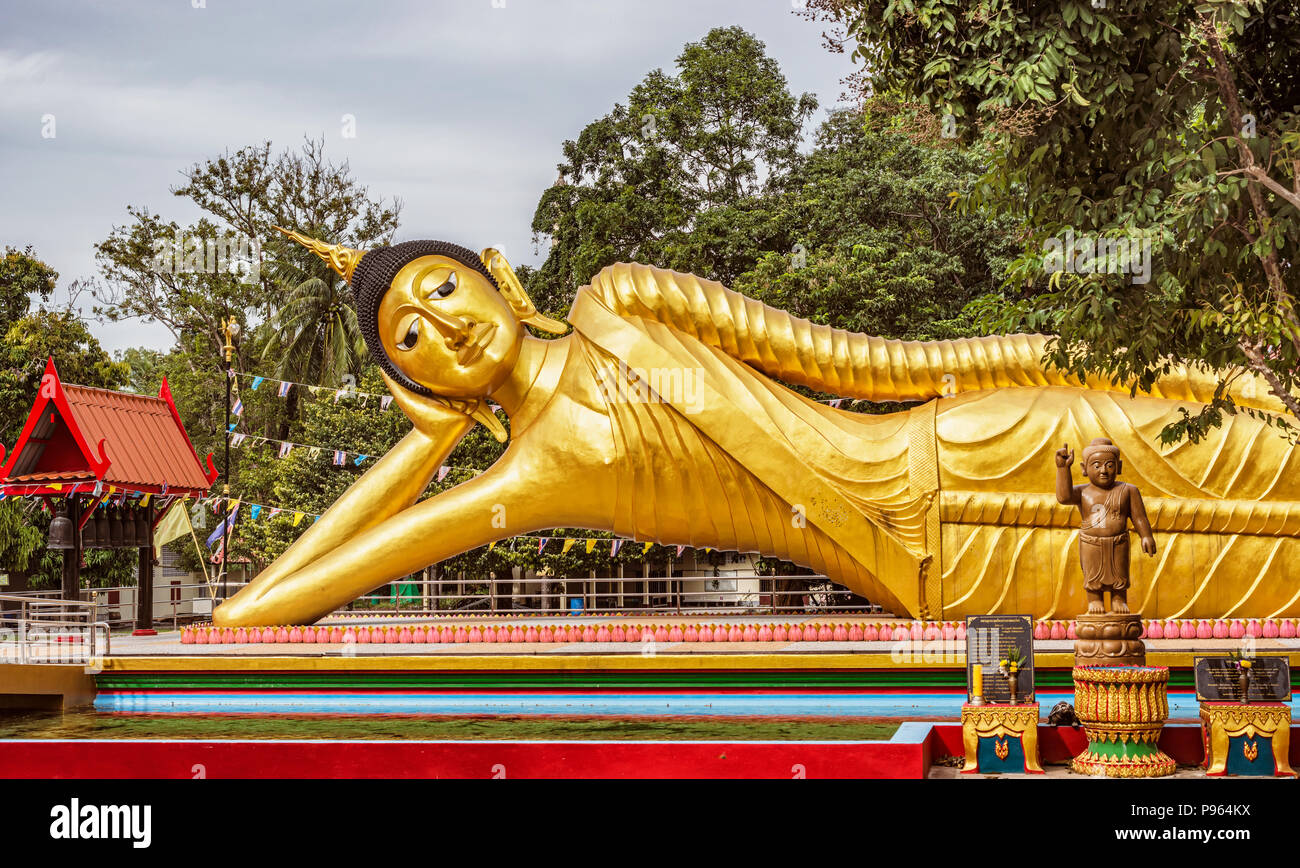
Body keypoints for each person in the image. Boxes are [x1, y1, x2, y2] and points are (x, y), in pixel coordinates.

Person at [1055, 439, 1157, 614]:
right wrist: (1063, 469)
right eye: (1096, 465)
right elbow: (1063, 497)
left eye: (1110, 465)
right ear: (1084, 469)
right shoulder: (1082, 491)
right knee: (1092, 574)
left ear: (1119, 467)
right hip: (1091, 542)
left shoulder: (1128, 490)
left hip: (1119, 541)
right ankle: (1095, 600)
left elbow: (1139, 517)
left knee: (1120, 573)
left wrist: (1146, 536)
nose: (1103, 471)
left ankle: (1119, 600)